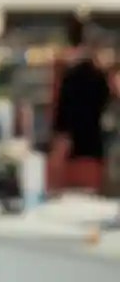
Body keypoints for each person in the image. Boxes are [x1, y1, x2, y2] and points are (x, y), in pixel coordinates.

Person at [49, 15, 116, 192]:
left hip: (71, 150)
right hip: (93, 148)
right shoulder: (100, 78)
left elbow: (63, 117)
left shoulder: (70, 75)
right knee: (89, 195)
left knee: (70, 196)